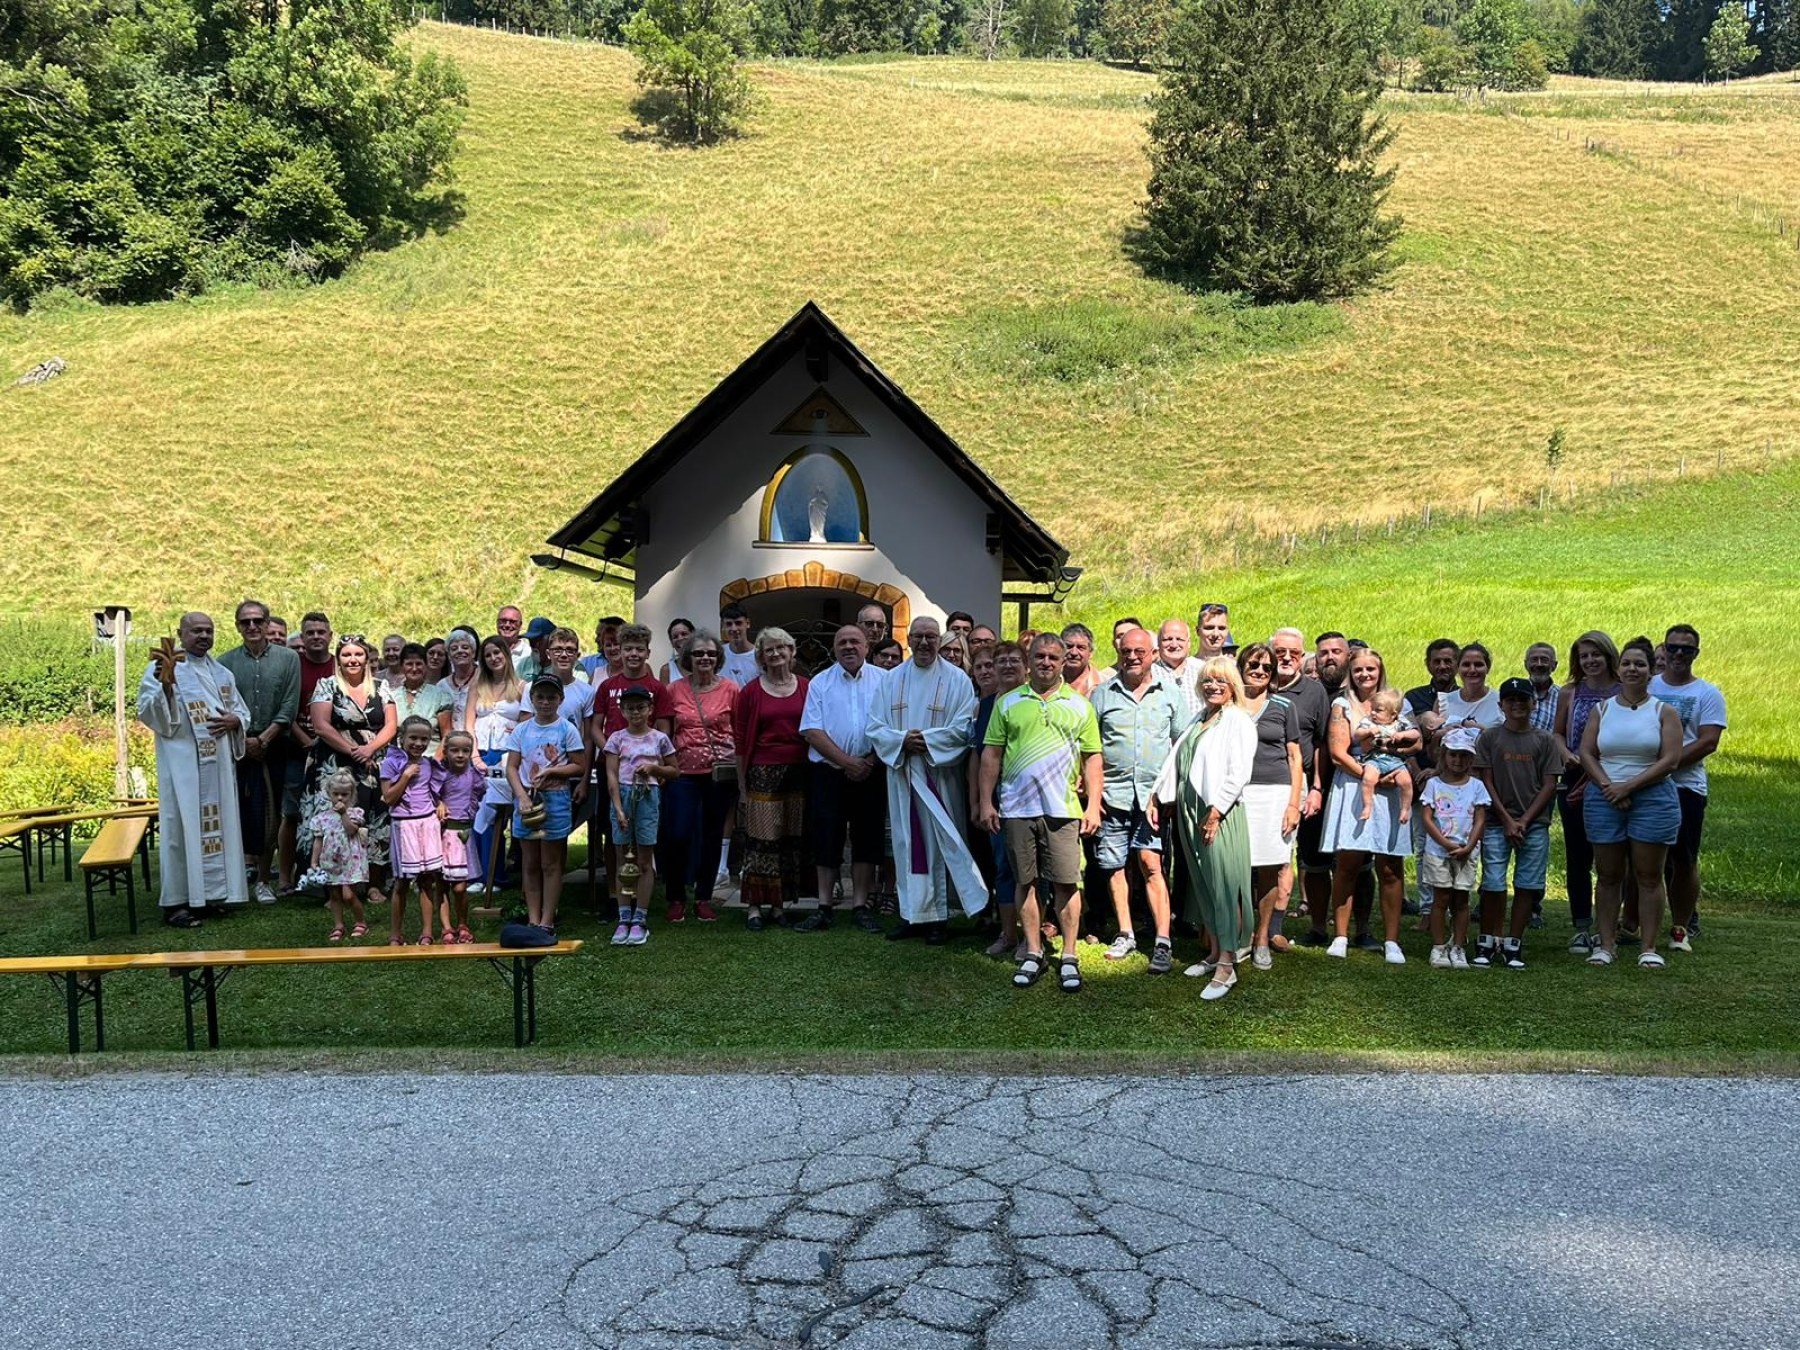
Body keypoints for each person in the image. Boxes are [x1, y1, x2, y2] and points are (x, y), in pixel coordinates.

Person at [979, 632, 1102, 994]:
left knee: (1066, 882)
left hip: (1063, 809)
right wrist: (987, 802)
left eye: (1053, 657)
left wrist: (1093, 804)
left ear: (1063, 661)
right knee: (1025, 882)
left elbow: (1092, 757)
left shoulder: (1080, 705)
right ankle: (1033, 951)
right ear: (1029, 661)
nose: (1046, 662)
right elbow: (991, 755)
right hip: (1017, 807)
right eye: (1039, 656)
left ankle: (1069, 954)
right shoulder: (1008, 702)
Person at [870, 617, 986, 942]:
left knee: (939, 844)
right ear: (908, 639)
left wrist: (928, 742)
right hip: (903, 775)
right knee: (907, 844)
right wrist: (902, 741)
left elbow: (964, 728)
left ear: (940, 640)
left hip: (940, 777)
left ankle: (938, 918)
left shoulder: (958, 681)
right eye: (918, 636)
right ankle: (911, 915)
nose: (924, 643)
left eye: (930, 637)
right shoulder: (891, 680)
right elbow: (875, 725)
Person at [1150, 656, 1256, 999]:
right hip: (1189, 809)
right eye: (1208, 680)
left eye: (1220, 681)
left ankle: (1228, 964)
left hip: (1217, 813)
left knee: (1224, 886)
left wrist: (1215, 813)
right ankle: (1213, 953)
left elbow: (1238, 772)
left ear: (1232, 687)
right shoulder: (1200, 718)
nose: (1212, 686)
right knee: (1202, 884)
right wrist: (1158, 797)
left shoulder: (1238, 720)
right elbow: (1176, 762)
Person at [138, 612, 252, 928]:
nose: (203, 636)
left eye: (208, 631)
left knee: (220, 828)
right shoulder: (164, 668)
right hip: (183, 769)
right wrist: (167, 688)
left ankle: (211, 896)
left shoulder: (223, 674)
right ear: (181, 633)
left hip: (217, 769)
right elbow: (149, 711)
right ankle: (176, 904)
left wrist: (236, 722)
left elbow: (241, 712)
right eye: (196, 630)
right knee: (180, 831)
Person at [1580, 637, 1684, 969]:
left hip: (1652, 797)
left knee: (1648, 875)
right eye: (1626, 663)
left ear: (1651, 670)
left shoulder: (1664, 711)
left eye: (1640, 664)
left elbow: (1670, 760)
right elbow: (1586, 752)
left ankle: (1648, 947)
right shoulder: (1602, 709)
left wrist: (1630, 787)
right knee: (1608, 875)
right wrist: (1609, 786)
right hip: (1604, 795)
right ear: (1618, 668)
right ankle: (1606, 945)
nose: (1632, 669)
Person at [1089, 627, 1186, 974]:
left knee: (1151, 864)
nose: (1132, 657)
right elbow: (1090, 748)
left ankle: (1162, 940)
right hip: (1112, 796)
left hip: (1153, 800)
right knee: (1114, 866)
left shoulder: (1170, 694)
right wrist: (1092, 792)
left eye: (1139, 652)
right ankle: (1126, 932)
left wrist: (1171, 793)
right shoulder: (1102, 695)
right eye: (1126, 651)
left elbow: (1181, 746)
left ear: (1153, 654)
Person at [1320, 647, 1421, 963]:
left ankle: (1392, 941)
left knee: (1390, 867)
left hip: (1390, 789)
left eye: (1371, 670)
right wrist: (1371, 776)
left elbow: (1416, 741)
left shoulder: (1393, 704)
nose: (1364, 675)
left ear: (1380, 672)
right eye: (1359, 670)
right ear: (1351, 672)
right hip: (1355, 786)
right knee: (1348, 862)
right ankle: (1340, 935)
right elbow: (1338, 752)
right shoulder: (1342, 705)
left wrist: (1395, 764)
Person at [798, 625, 888, 933]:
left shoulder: (885, 680)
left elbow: (892, 726)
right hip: (829, 773)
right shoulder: (820, 682)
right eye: (842, 643)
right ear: (834, 649)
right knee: (827, 837)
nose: (849, 647)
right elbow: (812, 730)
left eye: (855, 642)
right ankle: (824, 905)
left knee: (867, 837)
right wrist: (848, 762)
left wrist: (869, 761)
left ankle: (860, 905)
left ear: (866, 647)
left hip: (871, 770)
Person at [299, 636, 397, 904]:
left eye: (358, 655)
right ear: (338, 659)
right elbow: (321, 726)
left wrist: (369, 749)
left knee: (376, 820)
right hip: (335, 764)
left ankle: (374, 884)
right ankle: (335, 888)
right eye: (346, 655)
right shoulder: (326, 686)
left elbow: (390, 725)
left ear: (367, 658)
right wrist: (353, 750)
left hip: (373, 763)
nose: (352, 660)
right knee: (335, 825)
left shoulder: (381, 686)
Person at [1649, 623, 1726, 952]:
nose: (1679, 654)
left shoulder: (1707, 694)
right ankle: (1634, 923)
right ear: (1663, 649)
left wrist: (1665, 764)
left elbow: (1708, 741)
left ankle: (1681, 926)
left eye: (1687, 649)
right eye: (1673, 647)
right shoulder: (1647, 685)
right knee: (1642, 859)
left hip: (1685, 787)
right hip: (1644, 784)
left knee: (1684, 858)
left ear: (1697, 653)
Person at [1474, 678, 1561, 969]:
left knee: (1527, 884)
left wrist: (1524, 820)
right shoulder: (1489, 738)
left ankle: (1514, 943)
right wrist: (1508, 819)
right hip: (1497, 821)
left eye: (1522, 700)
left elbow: (1549, 784)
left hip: (1533, 824)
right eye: (1510, 700)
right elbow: (1485, 779)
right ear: (1501, 705)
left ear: (1532, 704)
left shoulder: (1545, 740)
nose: (1516, 705)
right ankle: (1487, 940)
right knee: (1493, 883)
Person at [219, 598, 300, 905]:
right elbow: (221, 705)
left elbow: (289, 705)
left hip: (275, 744)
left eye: (258, 621)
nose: (252, 626)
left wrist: (264, 739)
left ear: (268, 624)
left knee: (272, 815)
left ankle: (265, 879)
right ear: (238, 626)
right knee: (237, 811)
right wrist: (244, 739)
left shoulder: (288, 658)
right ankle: (235, 878)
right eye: (245, 622)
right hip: (237, 745)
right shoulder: (224, 663)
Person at [733, 627, 810, 929]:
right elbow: (741, 741)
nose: (776, 653)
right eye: (769, 650)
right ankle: (754, 905)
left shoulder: (806, 686)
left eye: (782, 647)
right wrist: (742, 786)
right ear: (761, 656)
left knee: (789, 839)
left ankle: (779, 905)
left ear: (792, 651)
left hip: (799, 772)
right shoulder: (750, 691)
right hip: (763, 772)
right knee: (761, 840)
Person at [662, 629, 738, 924]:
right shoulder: (674, 690)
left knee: (711, 835)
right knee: (678, 834)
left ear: (718, 658)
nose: (704, 658)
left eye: (710, 653)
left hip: (719, 773)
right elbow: (665, 732)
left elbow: (738, 729)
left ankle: (704, 897)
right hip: (682, 771)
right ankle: (676, 896)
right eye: (698, 653)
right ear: (687, 658)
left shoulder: (731, 689)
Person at [1236, 643, 1303, 971]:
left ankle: (1262, 937)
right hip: (1236, 793)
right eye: (1253, 664)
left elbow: (1295, 755)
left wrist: (1294, 803)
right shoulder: (1229, 704)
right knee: (1236, 867)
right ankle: (1239, 935)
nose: (1259, 671)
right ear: (1241, 666)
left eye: (1266, 667)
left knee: (1269, 866)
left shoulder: (1283, 705)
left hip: (1275, 793)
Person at [1554, 631, 1620, 954]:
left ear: (1609, 656)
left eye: (1596, 654)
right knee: (1578, 857)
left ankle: (1610, 925)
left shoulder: (1625, 691)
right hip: (1574, 779)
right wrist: (1566, 754)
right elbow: (1557, 733)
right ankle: (1582, 926)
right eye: (1584, 656)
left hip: (1611, 779)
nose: (1590, 661)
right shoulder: (1570, 692)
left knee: (1612, 857)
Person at [508, 672, 589, 933]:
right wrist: (520, 795)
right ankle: (532, 918)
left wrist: (553, 772)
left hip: (555, 799)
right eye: (540, 697)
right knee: (529, 862)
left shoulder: (567, 728)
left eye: (551, 697)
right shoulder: (522, 729)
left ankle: (547, 919)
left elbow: (579, 765)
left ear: (560, 699)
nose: (545, 702)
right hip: (527, 800)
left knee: (551, 863)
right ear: (531, 699)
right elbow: (512, 766)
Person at [1276, 629, 1340, 950]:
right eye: (1280, 653)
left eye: (1293, 653)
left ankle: (1317, 926)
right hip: (1268, 786)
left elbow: (1321, 744)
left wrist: (1317, 787)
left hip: (1307, 787)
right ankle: (1269, 925)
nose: (1286, 658)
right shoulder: (1257, 687)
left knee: (1314, 862)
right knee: (1272, 859)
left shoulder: (1314, 692)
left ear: (1302, 657)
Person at [605, 687, 679, 947]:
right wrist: (618, 808)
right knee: (622, 858)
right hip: (623, 796)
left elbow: (674, 770)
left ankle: (640, 918)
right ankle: (623, 917)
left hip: (647, 796)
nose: (635, 712)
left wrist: (654, 768)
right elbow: (611, 775)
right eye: (630, 708)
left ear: (649, 709)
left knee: (644, 860)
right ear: (622, 710)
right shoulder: (615, 738)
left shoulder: (659, 738)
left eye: (640, 707)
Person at [970, 642, 1025, 957]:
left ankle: (1032, 934)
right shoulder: (984, 706)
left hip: (1030, 798)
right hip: (998, 801)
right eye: (998, 661)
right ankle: (1008, 935)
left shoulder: (1033, 699)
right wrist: (979, 801)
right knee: (1003, 867)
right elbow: (978, 757)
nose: (1005, 667)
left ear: (1025, 665)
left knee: (1032, 870)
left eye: (1013, 660)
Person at [279, 611, 338, 893]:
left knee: (331, 813)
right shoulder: (293, 664)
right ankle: (285, 877)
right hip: (297, 749)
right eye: (310, 632)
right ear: (302, 637)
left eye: (321, 632)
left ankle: (331, 875)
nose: (316, 636)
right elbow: (285, 710)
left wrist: (325, 744)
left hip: (332, 752)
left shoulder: (338, 666)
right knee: (292, 814)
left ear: (329, 636)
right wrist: (307, 741)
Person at [1420, 729, 1488, 969]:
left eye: (1463, 756)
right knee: (1440, 899)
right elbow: (1427, 818)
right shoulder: (1433, 784)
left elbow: (1480, 818)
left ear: (1471, 759)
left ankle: (1458, 947)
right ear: (1444, 756)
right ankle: (1438, 947)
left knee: (1462, 900)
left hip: (1467, 851)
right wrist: (1446, 843)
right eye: (1453, 755)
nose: (1458, 761)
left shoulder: (1477, 786)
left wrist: (1469, 846)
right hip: (1439, 851)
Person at [1403, 638, 1460, 919]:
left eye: (1448, 661)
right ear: (1428, 664)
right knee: (1424, 846)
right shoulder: (1413, 698)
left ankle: (1453, 904)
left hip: (1457, 787)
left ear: (1457, 664)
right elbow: (1405, 743)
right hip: (1421, 784)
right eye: (1437, 661)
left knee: (1455, 843)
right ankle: (1428, 908)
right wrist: (1418, 775)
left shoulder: (1465, 698)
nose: (1442, 666)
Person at [381, 715, 446, 945]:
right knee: (402, 882)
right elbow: (389, 798)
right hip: (403, 825)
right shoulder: (390, 763)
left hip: (426, 823)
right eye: (413, 738)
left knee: (427, 880)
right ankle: (395, 934)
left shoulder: (428, 764)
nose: (418, 743)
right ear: (402, 738)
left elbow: (434, 791)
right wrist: (406, 776)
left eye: (424, 739)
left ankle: (427, 932)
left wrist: (439, 803)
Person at [467, 635, 524, 894]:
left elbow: (524, 724)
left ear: (506, 655)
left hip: (507, 755)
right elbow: (468, 724)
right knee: (478, 814)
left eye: (497, 653)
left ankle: (496, 875)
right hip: (481, 754)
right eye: (488, 655)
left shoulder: (522, 686)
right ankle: (477, 875)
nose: (493, 658)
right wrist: (474, 755)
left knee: (497, 815)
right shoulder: (477, 686)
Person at [305, 769, 369, 942]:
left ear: (352, 795)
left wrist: (343, 814)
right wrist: (314, 861)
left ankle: (360, 921)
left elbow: (351, 830)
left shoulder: (355, 813)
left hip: (350, 861)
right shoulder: (321, 818)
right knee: (334, 894)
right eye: (336, 794)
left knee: (348, 895)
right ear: (329, 794)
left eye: (344, 794)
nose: (340, 798)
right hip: (330, 861)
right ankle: (338, 924)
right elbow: (318, 841)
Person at [438, 731, 484, 944]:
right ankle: (446, 927)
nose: (460, 755)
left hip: (463, 835)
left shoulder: (474, 776)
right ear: (445, 751)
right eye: (454, 750)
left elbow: (478, 795)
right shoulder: (439, 774)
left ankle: (463, 922)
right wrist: (438, 803)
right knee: (442, 883)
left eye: (465, 750)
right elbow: (430, 794)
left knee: (460, 886)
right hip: (440, 834)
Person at [1352, 690, 1414, 823]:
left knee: (1406, 782)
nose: (1373, 713)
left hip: (1395, 760)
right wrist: (1368, 731)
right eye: (1372, 709)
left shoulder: (1400, 723)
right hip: (1374, 759)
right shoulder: (1369, 722)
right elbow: (1356, 735)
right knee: (1368, 779)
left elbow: (1416, 734)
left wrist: (1403, 735)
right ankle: (1367, 806)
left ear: (1393, 715)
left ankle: (1405, 809)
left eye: (1378, 710)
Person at [386, 643, 454, 755]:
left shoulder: (440, 696)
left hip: (431, 760)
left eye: (419, 664)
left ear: (426, 666)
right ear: (402, 667)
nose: (414, 669)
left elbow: (447, 734)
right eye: (409, 664)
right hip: (398, 762)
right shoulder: (391, 696)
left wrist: (435, 763)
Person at [1439, 642, 1502, 732]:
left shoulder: (1501, 701)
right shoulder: (1443, 702)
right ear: (1458, 668)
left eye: (1478, 665)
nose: (1472, 670)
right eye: (1466, 665)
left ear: (1488, 668)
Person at [438, 628, 483, 731]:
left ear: (473, 652)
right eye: (454, 648)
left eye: (465, 647)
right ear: (449, 655)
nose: (460, 651)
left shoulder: (484, 677)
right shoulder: (442, 685)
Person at [1156, 619, 1203, 716]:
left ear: (1189, 643)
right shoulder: (1150, 674)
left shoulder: (1201, 671)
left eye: (1179, 639)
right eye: (1167, 639)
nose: (1174, 644)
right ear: (1158, 643)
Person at [720, 604, 762, 689]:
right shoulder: (718, 654)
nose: (734, 629)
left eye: (738, 623)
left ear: (748, 623)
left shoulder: (760, 656)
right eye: (729, 624)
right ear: (723, 626)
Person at [1524, 643, 1561, 734]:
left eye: (1544, 660)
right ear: (1526, 664)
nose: (1539, 664)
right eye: (1534, 660)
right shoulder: (1515, 691)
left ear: (1554, 665)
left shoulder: (1563, 696)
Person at [1060, 623, 1099, 698]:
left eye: (1080, 647)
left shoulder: (1104, 684)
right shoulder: (1047, 682)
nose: (1074, 652)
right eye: (1068, 646)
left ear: (1090, 653)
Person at [515, 616, 556, 681]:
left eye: (538, 640)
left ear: (551, 641)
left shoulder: (563, 666)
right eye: (531, 641)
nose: (534, 646)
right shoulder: (524, 664)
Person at [659, 618, 696, 684]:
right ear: (672, 642)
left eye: (684, 634)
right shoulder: (667, 670)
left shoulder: (705, 663)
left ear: (694, 636)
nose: (680, 638)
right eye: (675, 637)